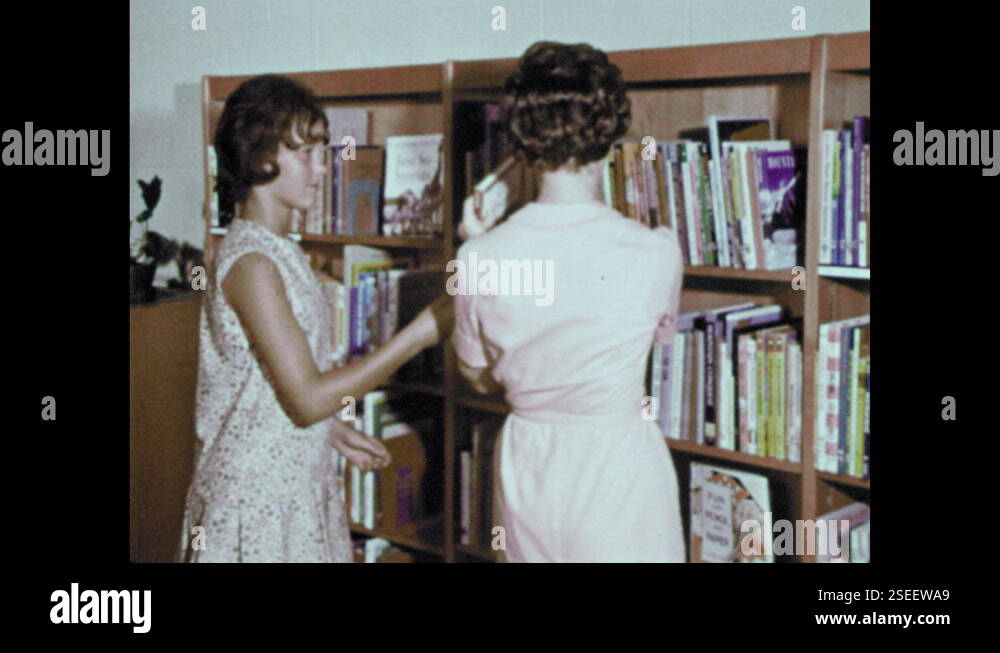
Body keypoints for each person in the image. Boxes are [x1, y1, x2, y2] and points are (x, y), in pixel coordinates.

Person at [178, 75, 451, 562]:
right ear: (261, 158)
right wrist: (417, 337)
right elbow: (305, 399)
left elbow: (272, 389)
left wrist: (332, 431)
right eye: (306, 154)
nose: (322, 169)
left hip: (293, 492)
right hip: (256, 506)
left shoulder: (280, 252)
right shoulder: (252, 264)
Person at [452, 42, 686, 562]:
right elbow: (652, 343)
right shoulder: (656, 251)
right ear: (609, 131)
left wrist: (479, 241)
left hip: (530, 468)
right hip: (620, 470)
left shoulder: (479, 258)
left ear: (521, 139)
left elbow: (478, 376)